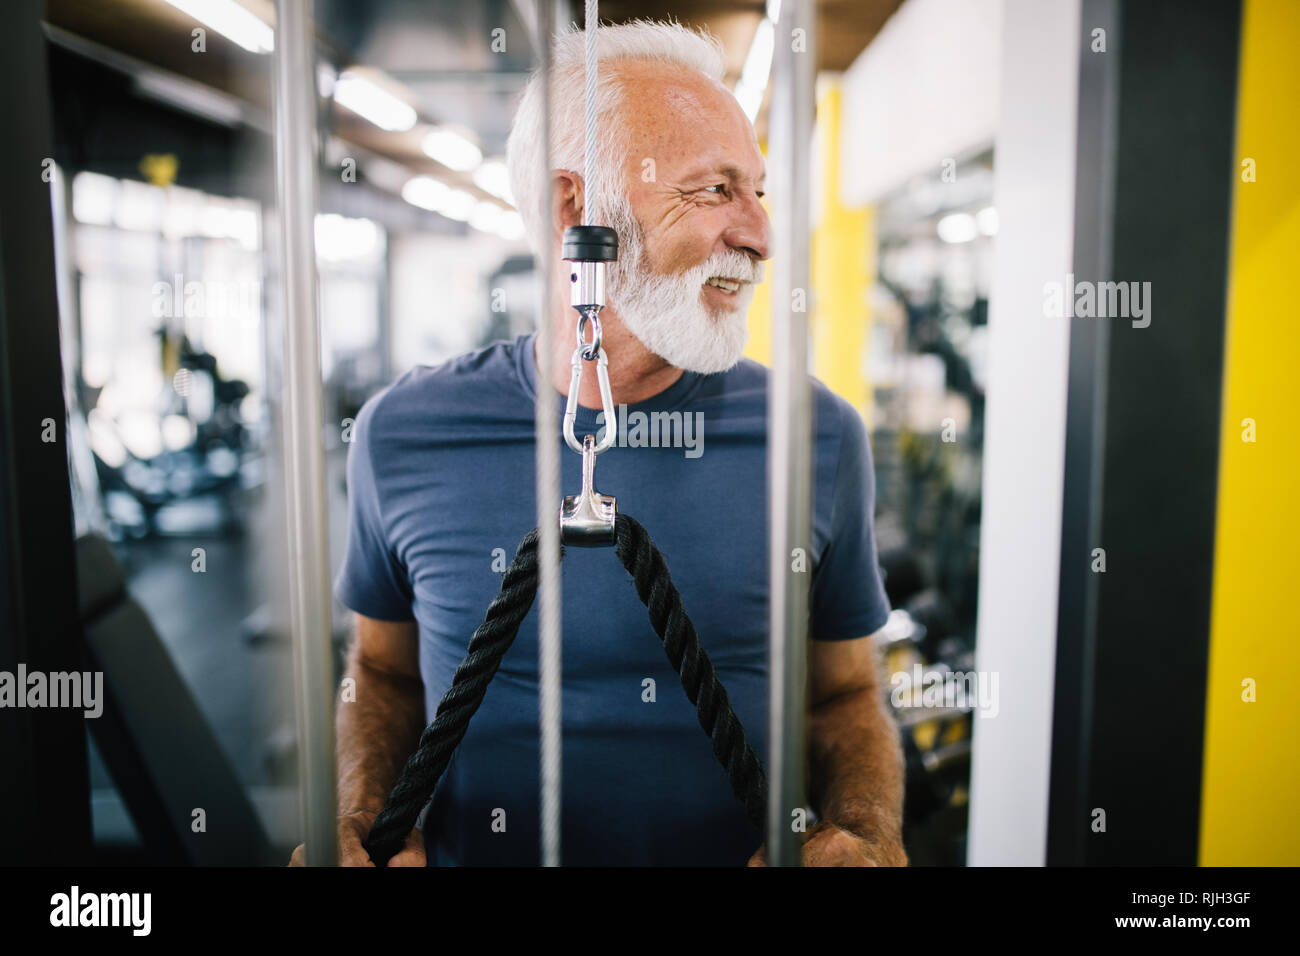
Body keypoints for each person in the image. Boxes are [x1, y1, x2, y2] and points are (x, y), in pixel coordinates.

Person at [291, 20, 905, 867]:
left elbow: (844, 695)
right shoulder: (404, 433)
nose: (760, 233)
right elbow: (384, 674)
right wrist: (356, 821)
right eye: (714, 189)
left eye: (758, 190)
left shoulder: (817, 436)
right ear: (574, 211)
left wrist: (866, 831)